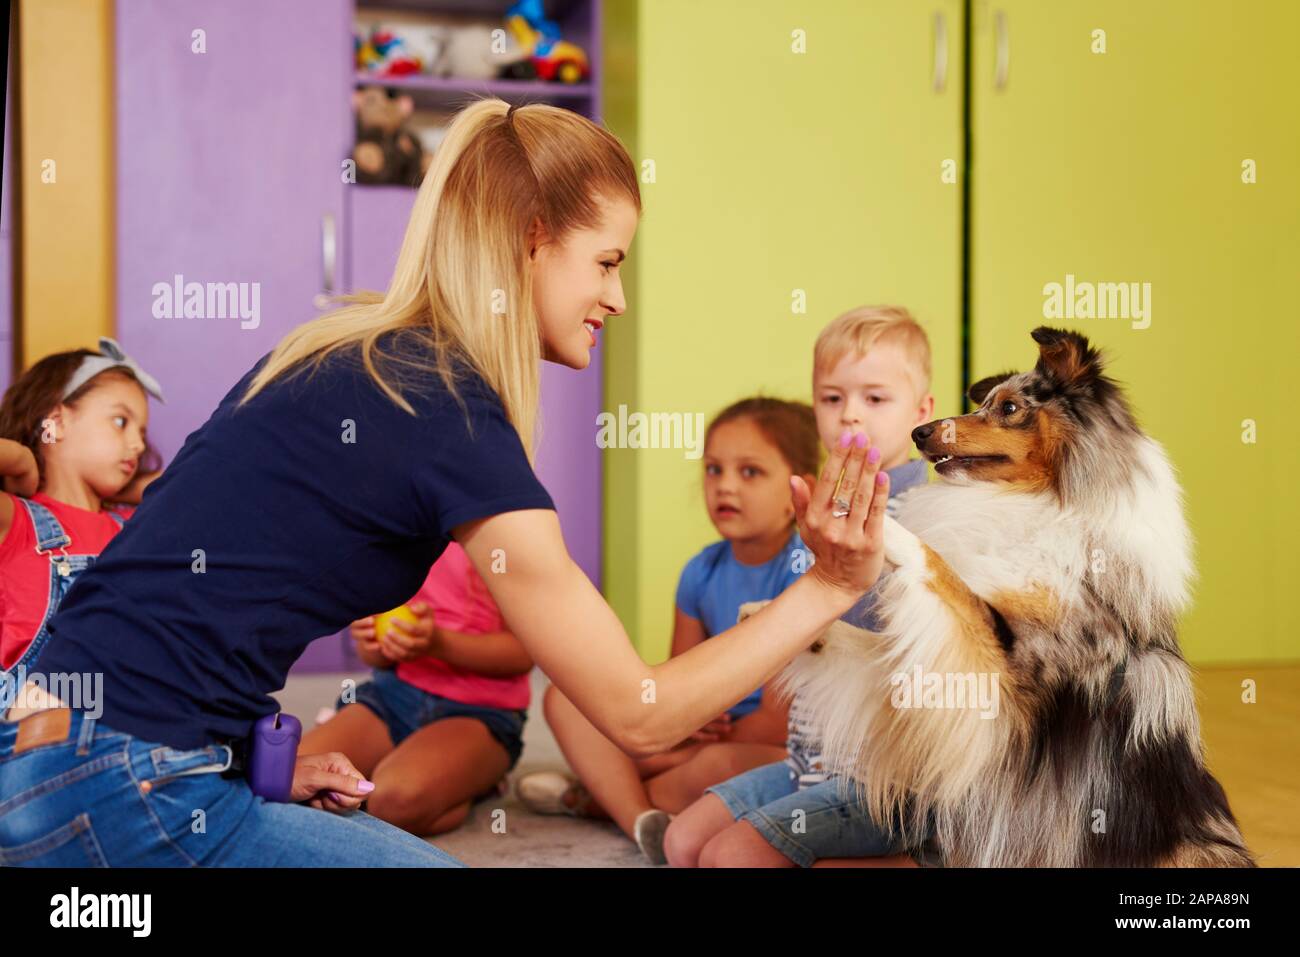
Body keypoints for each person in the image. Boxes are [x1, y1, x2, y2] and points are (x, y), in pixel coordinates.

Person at [0, 99, 891, 868]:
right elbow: (639, 712)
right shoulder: (448, 408)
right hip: (125, 782)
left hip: (44, 748)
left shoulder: (344, 353)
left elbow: (176, 582)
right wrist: (829, 584)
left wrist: (240, 751)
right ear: (530, 241)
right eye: (609, 262)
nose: (618, 298)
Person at [665, 306, 940, 868]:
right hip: (810, 756)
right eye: (832, 398)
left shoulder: (931, 518)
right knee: (683, 842)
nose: (851, 417)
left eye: (875, 399)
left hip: (887, 776)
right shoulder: (816, 514)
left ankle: (929, 857)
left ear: (922, 411)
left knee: (734, 857)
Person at [518, 398, 820, 863]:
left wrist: (693, 744)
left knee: (712, 767)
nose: (726, 486)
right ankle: (642, 817)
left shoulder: (804, 574)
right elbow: (677, 679)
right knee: (566, 699)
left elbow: (781, 721)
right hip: (703, 736)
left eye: (751, 472)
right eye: (714, 469)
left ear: (800, 491)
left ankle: (599, 798)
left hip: (771, 746)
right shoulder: (699, 571)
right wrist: (684, 729)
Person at [302, 541, 532, 837]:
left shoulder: (498, 540)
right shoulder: (390, 535)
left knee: (392, 803)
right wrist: (373, 640)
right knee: (296, 780)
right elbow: (375, 658)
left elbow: (522, 655)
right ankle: (418, 770)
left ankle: (477, 782)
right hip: (393, 695)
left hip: (478, 712)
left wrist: (438, 644)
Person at [0, 338, 164, 678]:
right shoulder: (15, 519)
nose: (136, 444)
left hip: (128, 714)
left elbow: (198, 485)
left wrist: (137, 488)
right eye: (120, 422)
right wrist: (20, 459)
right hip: (35, 724)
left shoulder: (134, 526)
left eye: (142, 433)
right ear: (56, 423)